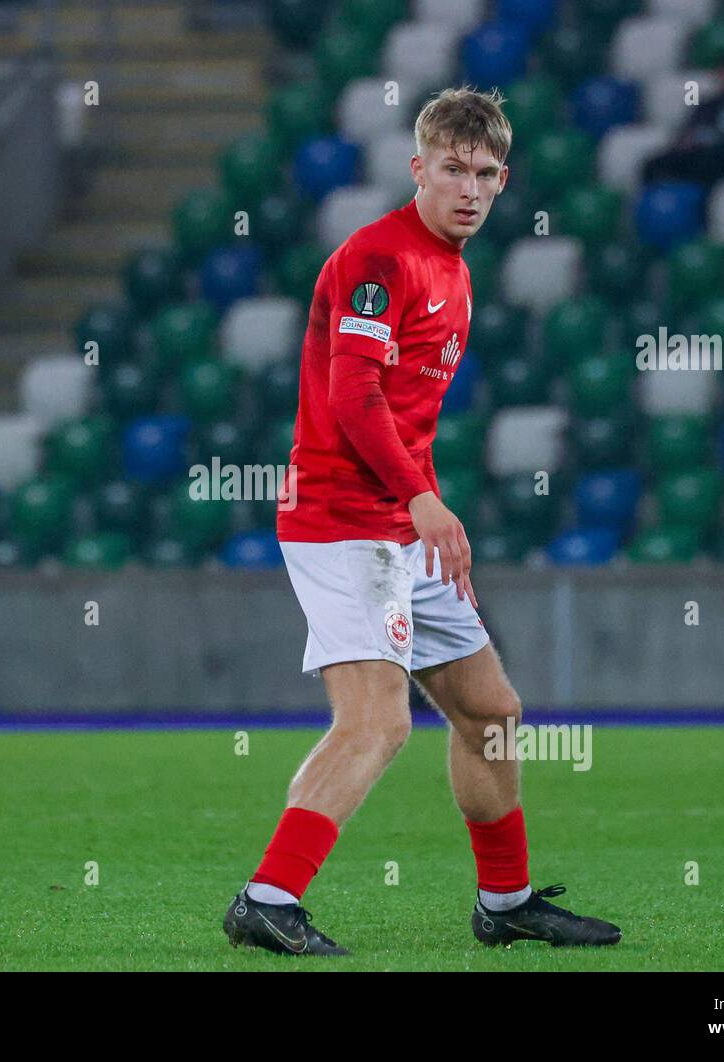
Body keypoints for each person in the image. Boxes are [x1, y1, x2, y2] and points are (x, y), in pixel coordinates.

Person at [222, 86, 621, 956]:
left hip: (401, 526)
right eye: (452, 169)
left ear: (504, 179)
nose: (469, 188)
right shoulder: (380, 260)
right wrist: (422, 500)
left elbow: (406, 417)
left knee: (490, 710)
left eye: (485, 173)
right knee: (377, 722)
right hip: (342, 522)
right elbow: (353, 395)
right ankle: (268, 896)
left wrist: (431, 519)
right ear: (418, 169)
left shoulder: (456, 268)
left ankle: (506, 902)